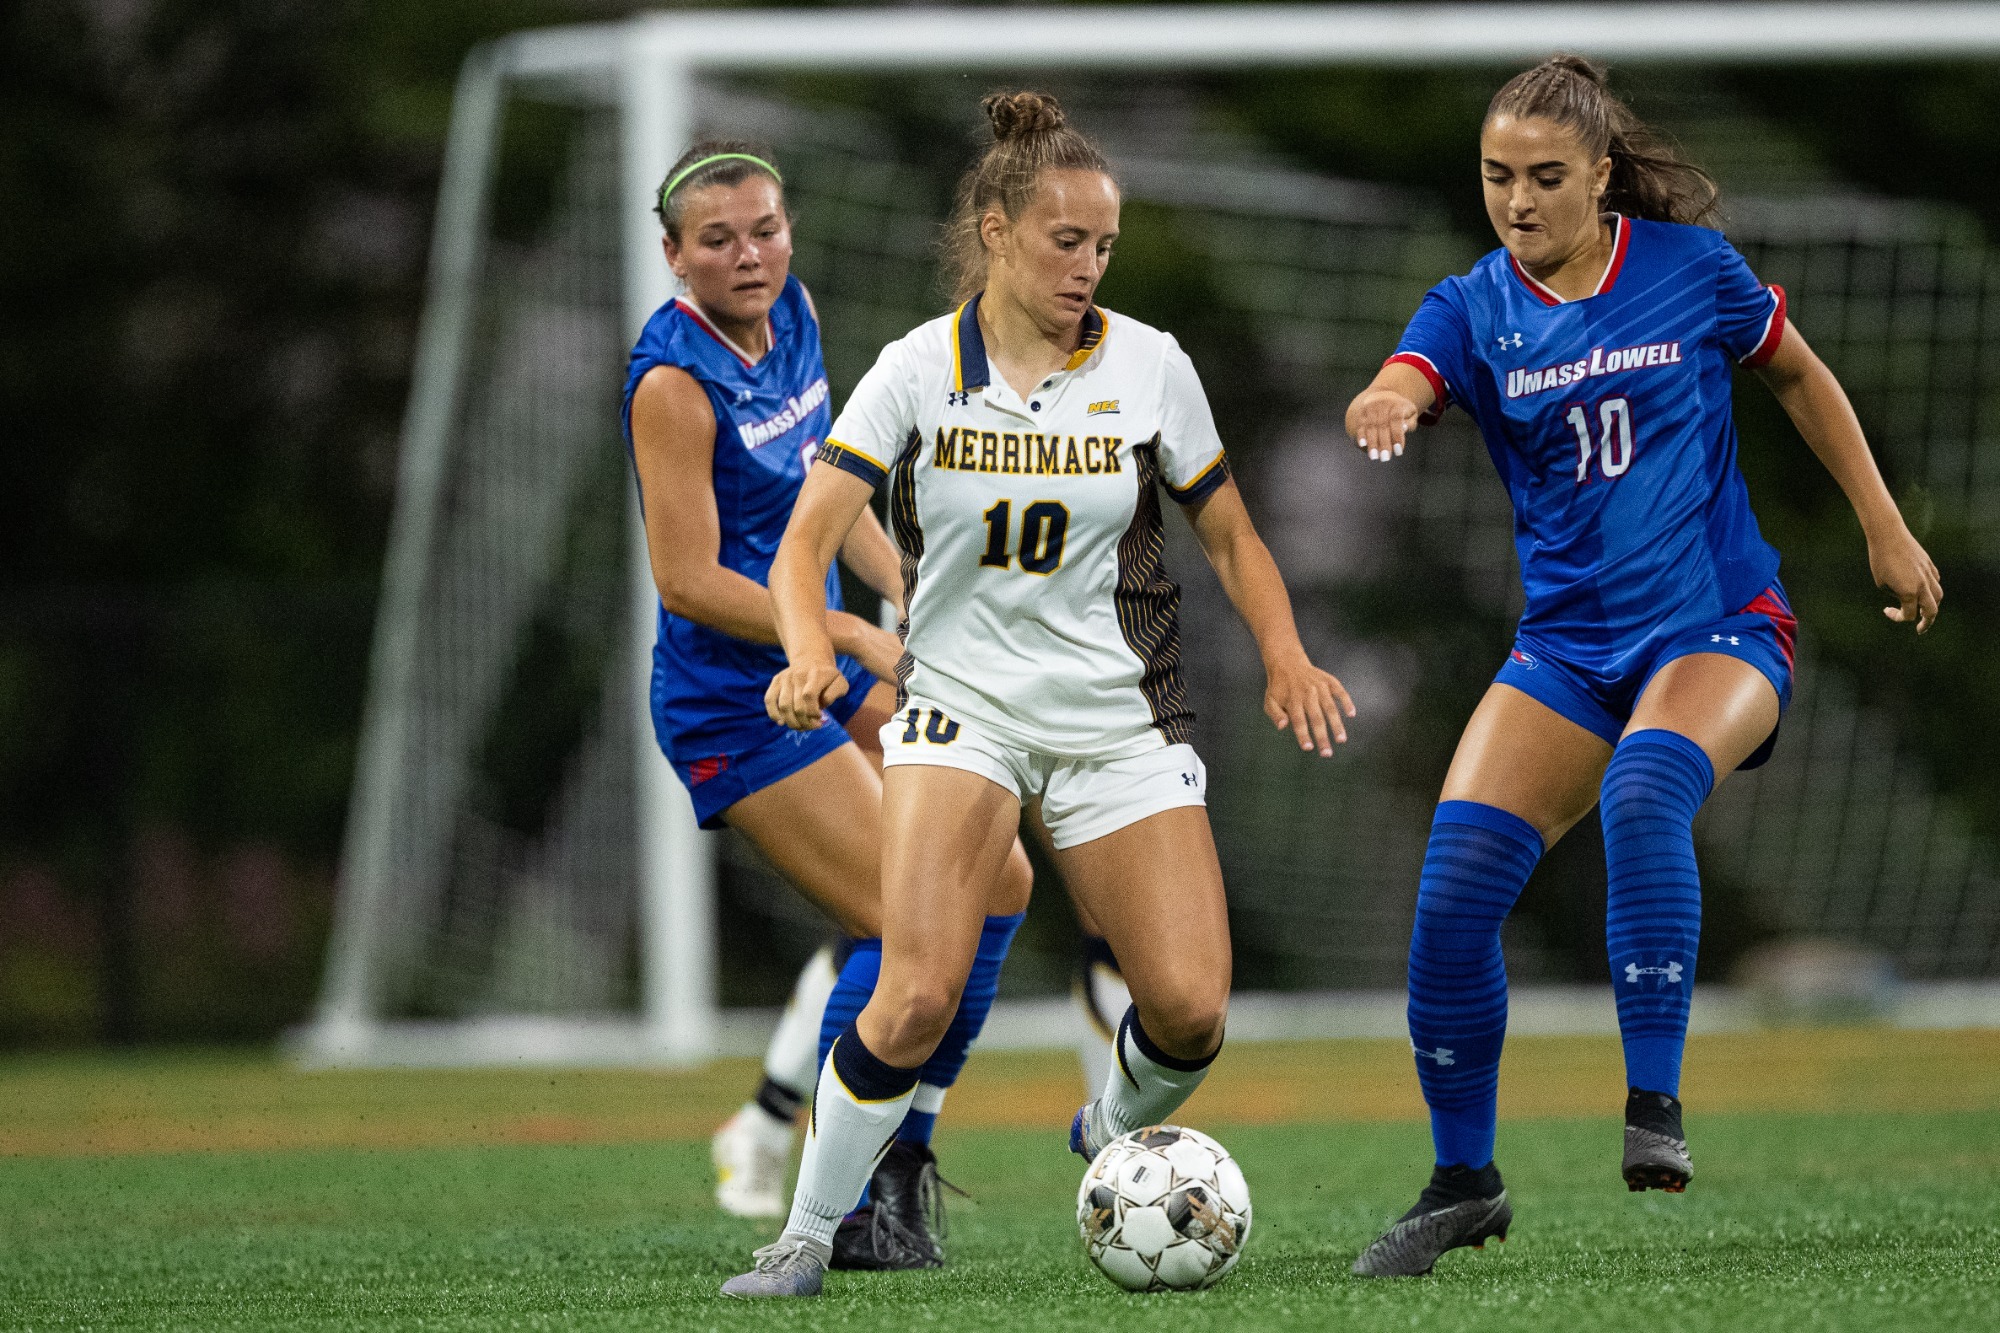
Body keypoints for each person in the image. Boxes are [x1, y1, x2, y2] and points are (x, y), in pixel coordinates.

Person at [721, 90, 1354, 1299]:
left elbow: (1228, 537)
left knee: (1189, 1012)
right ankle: (802, 1236)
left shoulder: (1151, 365)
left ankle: (1105, 1122)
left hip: (1118, 716)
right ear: (998, 230)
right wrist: (807, 651)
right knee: (912, 992)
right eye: (1066, 241)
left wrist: (1285, 651)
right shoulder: (915, 368)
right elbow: (801, 549)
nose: (1088, 265)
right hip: (960, 709)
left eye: (1103, 244)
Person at [1343, 56, 1942, 1278]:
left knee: (1643, 789)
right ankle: (1462, 1181)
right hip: (1566, 650)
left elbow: (1796, 373)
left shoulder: (1687, 270)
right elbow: (1406, 370)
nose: (1515, 200)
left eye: (1544, 177)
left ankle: (1652, 1105)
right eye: (1495, 176)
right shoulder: (1470, 306)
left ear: (1601, 174)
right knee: (1451, 899)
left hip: (1716, 623)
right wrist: (1387, 399)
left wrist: (1884, 526)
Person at [623, 140, 1034, 1269]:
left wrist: (906, 579)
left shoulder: (792, 313)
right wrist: (846, 628)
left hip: (830, 656)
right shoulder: (671, 382)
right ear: (674, 257)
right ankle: (841, 1195)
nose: (747, 254)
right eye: (717, 239)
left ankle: (897, 1158)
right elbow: (687, 579)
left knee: (997, 879)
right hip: (736, 699)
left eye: (763, 229)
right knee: (909, 926)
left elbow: (827, 478)